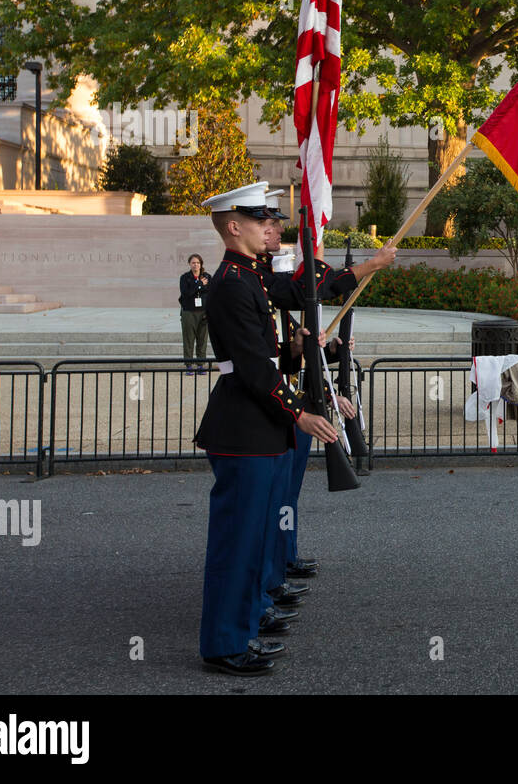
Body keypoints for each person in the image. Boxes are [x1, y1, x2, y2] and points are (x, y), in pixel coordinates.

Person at [195, 181, 394, 677]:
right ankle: (224, 644)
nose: (273, 227)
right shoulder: (231, 283)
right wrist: (299, 413)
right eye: (262, 220)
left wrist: (298, 351)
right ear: (233, 226)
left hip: (258, 428)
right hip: (244, 428)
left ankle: (244, 624)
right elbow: (252, 369)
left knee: (257, 536)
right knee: (237, 543)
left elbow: (269, 356)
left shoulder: (251, 278)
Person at [178, 254, 211, 374]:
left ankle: (201, 364)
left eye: (197, 263)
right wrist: (199, 285)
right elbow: (186, 293)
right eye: (193, 263)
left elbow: (210, 293)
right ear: (189, 264)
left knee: (202, 339)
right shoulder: (185, 278)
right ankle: (189, 365)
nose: (195, 265)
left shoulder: (207, 277)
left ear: (201, 264)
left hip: (203, 312)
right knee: (188, 339)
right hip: (189, 312)